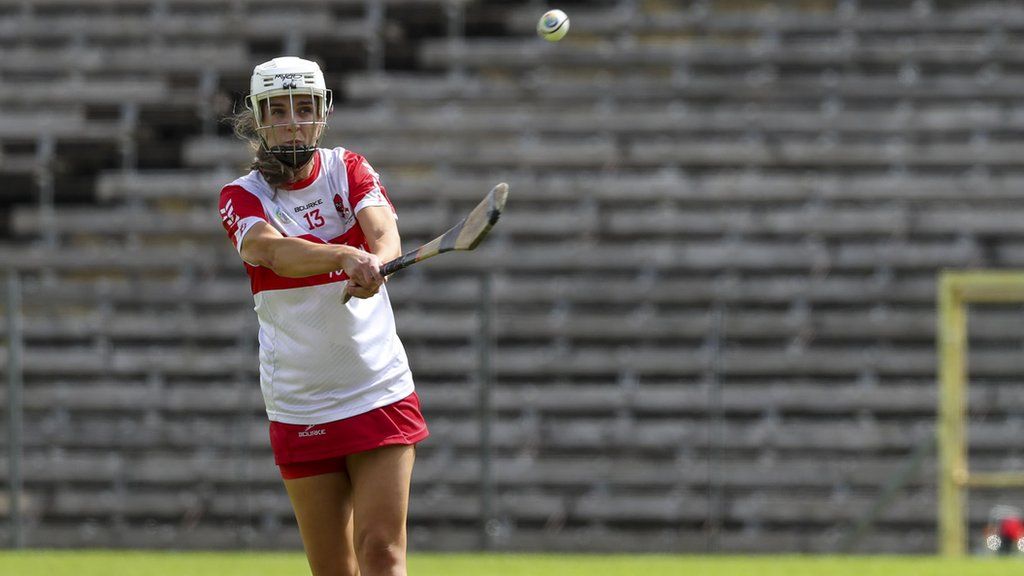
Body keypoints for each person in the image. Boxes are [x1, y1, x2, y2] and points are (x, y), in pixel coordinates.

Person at [218, 56, 427, 576]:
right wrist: (343, 257)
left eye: (305, 108)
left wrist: (375, 263)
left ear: (322, 114)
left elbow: (383, 234)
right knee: (334, 568)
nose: (293, 121)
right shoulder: (242, 197)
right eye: (280, 110)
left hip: (376, 386)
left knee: (381, 551)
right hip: (300, 401)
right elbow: (271, 253)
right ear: (260, 119)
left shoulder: (348, 168)